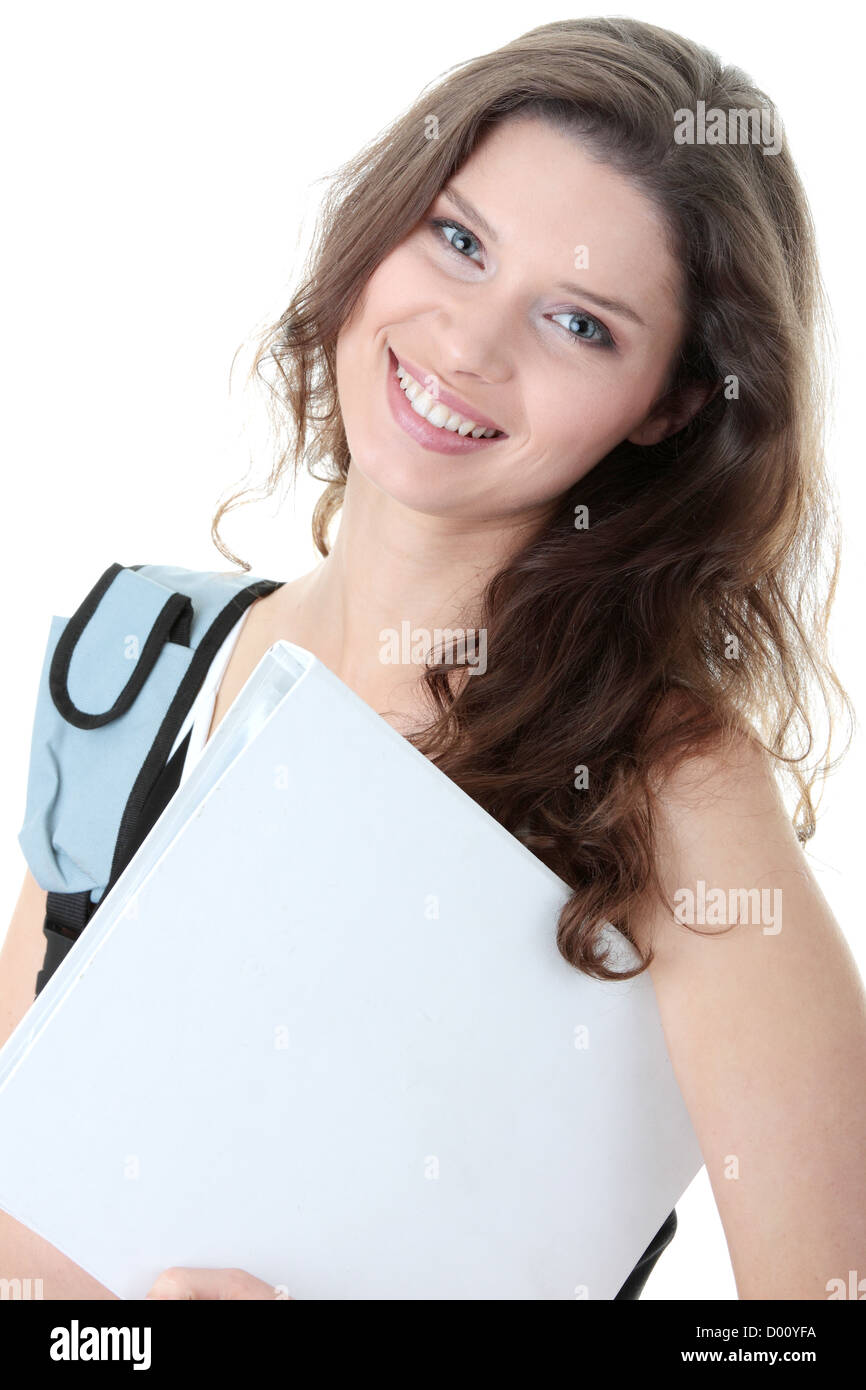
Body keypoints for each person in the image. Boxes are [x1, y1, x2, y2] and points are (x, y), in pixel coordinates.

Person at [2, 16, 864, 1301]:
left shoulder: (668, 787)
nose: (465, 344)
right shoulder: (140, 660)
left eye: (578, 323)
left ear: (670, 407)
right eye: (457, 241)